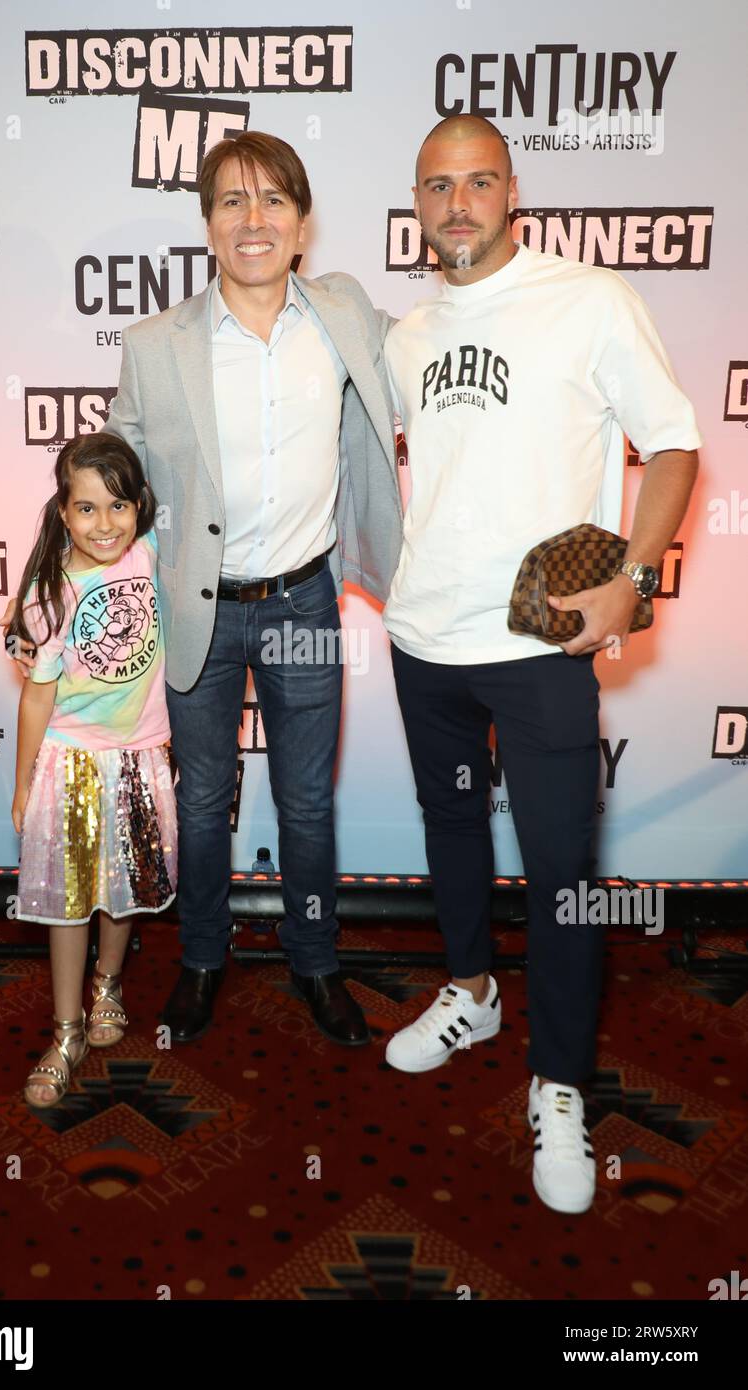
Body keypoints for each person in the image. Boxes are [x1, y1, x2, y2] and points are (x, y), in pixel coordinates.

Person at [382, 114, 700, 1213]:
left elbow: (671, 441)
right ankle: (469, 991)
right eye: (436, 186)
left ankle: (558, 1081)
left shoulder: (589, 298)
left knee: (563, 876)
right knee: (452, 832)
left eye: (476, 182)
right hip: (422, 641)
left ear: (510, 191)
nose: (456, 203)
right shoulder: (405, 335)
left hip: (536, 647)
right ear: (416, 204)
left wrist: (635, 578)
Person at [101, 131, 403, 1046]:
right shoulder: (156, 345)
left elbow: (441, 359)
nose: (253, 219)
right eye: (231, 201)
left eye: (273, 200)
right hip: (202, 608)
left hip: (308, 604)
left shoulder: (348, 312)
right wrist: (58, 580)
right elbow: (119, 474)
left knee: (308, 801)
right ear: (207, 226)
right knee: (200, 800)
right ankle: (200, 959)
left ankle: (316, 963)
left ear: (304, 225)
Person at [8, 433, 178, 1106]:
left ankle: (108, 985)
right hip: (71, 762)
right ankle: (66, 1029)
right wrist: (22, 784)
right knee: (70, 901)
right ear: (62, 512)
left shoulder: (153, 553)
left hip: (141, 756)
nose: (103, 525)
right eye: (86, 509)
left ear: (139, 508)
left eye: (117, 507)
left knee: (124, 884)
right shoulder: (49, 595)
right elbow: (36, 696)